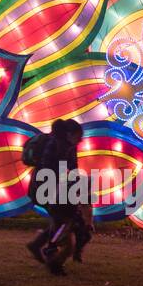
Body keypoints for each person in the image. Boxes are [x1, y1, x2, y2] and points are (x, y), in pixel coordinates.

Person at [26, 118, 86, 276]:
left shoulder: (71, 147)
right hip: (44, 187)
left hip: (58, 188)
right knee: (62, 220)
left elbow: (73, 169)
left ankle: (40, 246)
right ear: (69, 134)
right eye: (78, 136)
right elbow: (47, 168)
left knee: (61, 219)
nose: (81, 140)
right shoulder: (55, 144)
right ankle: (54, 259)